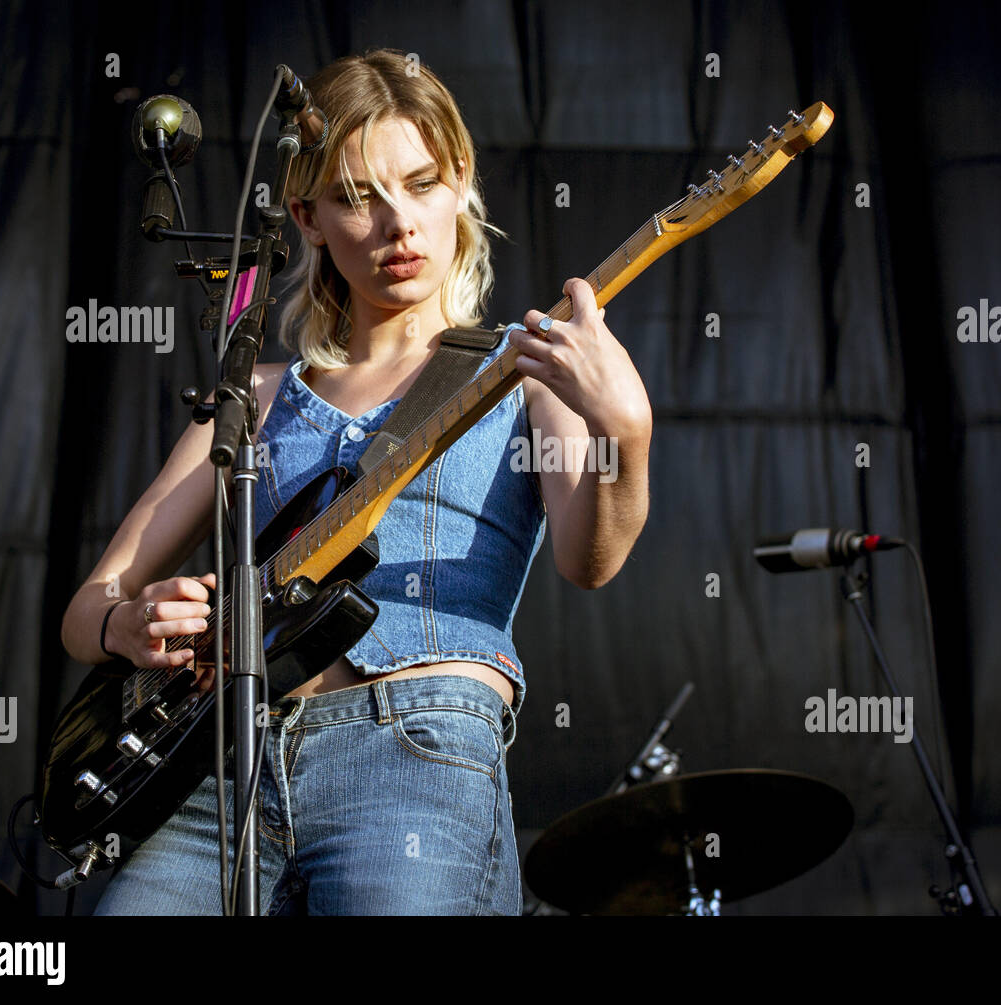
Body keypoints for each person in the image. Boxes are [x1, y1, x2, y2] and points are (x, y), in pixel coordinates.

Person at [59, 48, 652, 915]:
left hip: (417, 749)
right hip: (224, 765)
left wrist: (625, 435)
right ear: (306, 215)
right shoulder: (251, 393)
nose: (399, 225)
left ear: (460, 183)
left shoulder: (527, 370)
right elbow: (87, 609)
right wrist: (126, 620)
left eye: (420, 184)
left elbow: (588, 559)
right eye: (356, 198)